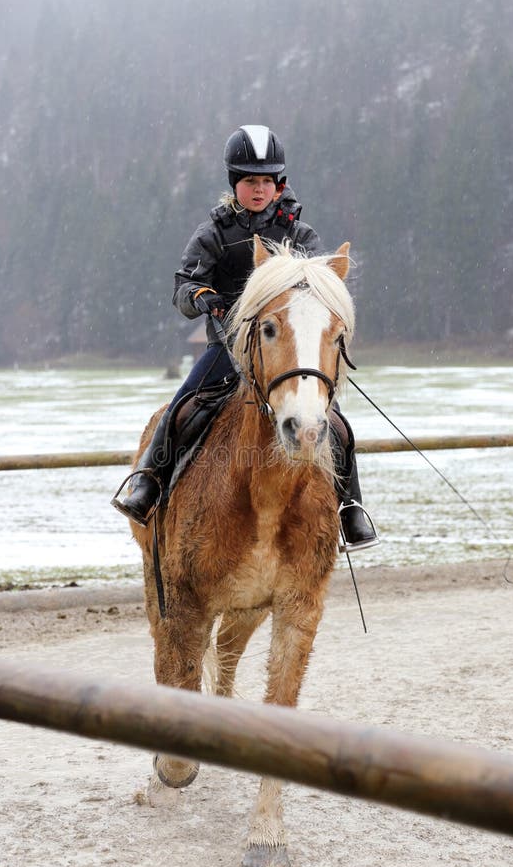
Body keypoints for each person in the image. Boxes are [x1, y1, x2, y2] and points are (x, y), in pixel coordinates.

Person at [111, 124, 378, 551]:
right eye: (250, 181)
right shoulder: (213, 234)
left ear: (279, 184)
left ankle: (351, 509)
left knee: (337, 424)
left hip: (284, 353)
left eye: (266, 181)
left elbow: (317, 292)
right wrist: (206, 299)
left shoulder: (302, 236)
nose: (258, 189)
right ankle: (147, 485)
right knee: (180, 407)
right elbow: (183, 286)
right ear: (234, 183)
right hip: (227, 349)